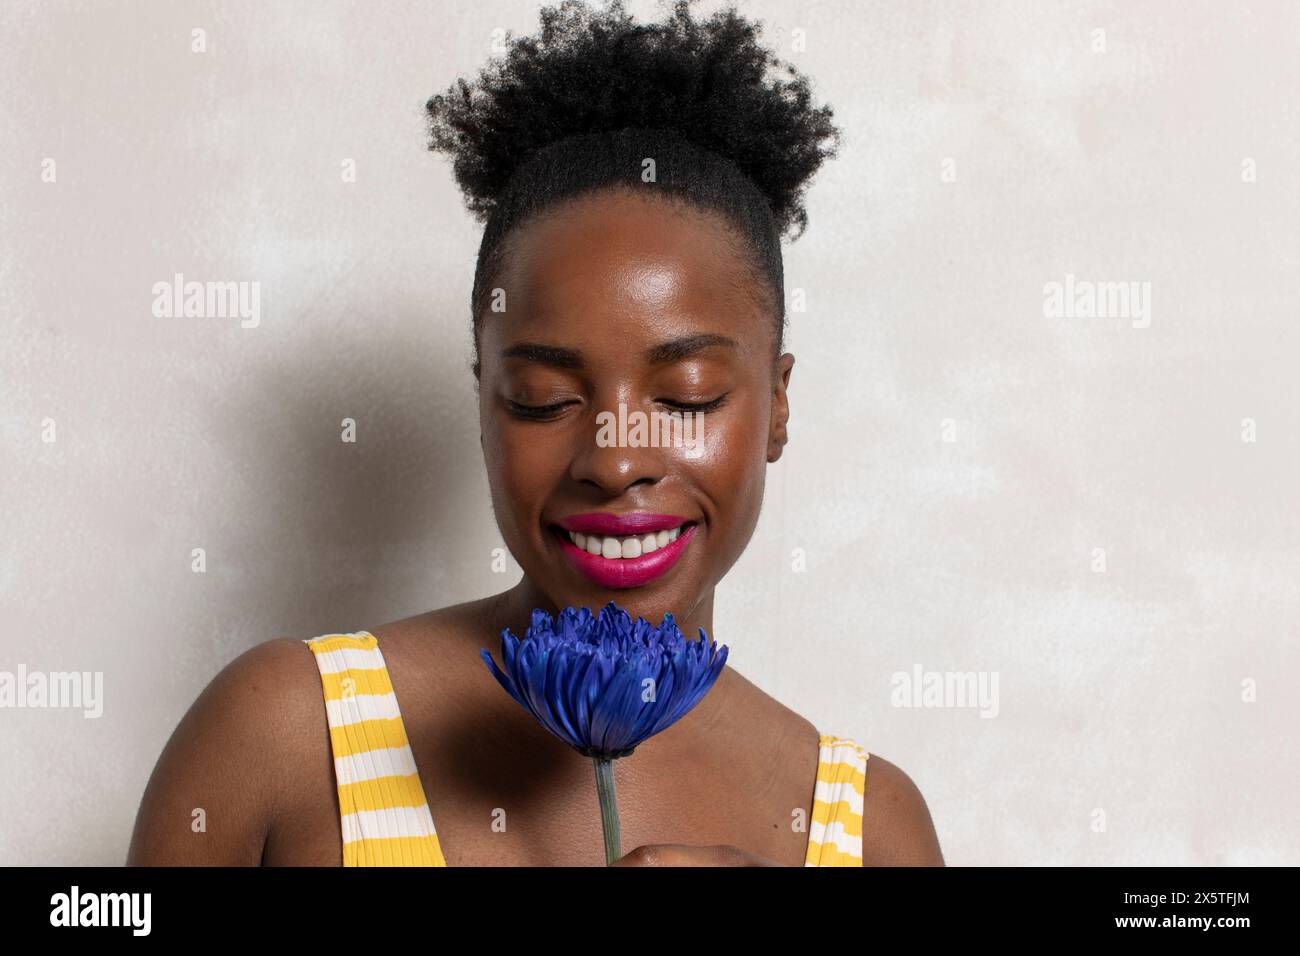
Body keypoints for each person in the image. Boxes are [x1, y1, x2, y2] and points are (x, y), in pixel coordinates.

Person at [128, 0, 943, 867]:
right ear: (485, 403)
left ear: (777, 405)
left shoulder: (871, 827)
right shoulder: (284, 731)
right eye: (543, 399)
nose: (615, 459)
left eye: (688, 396)